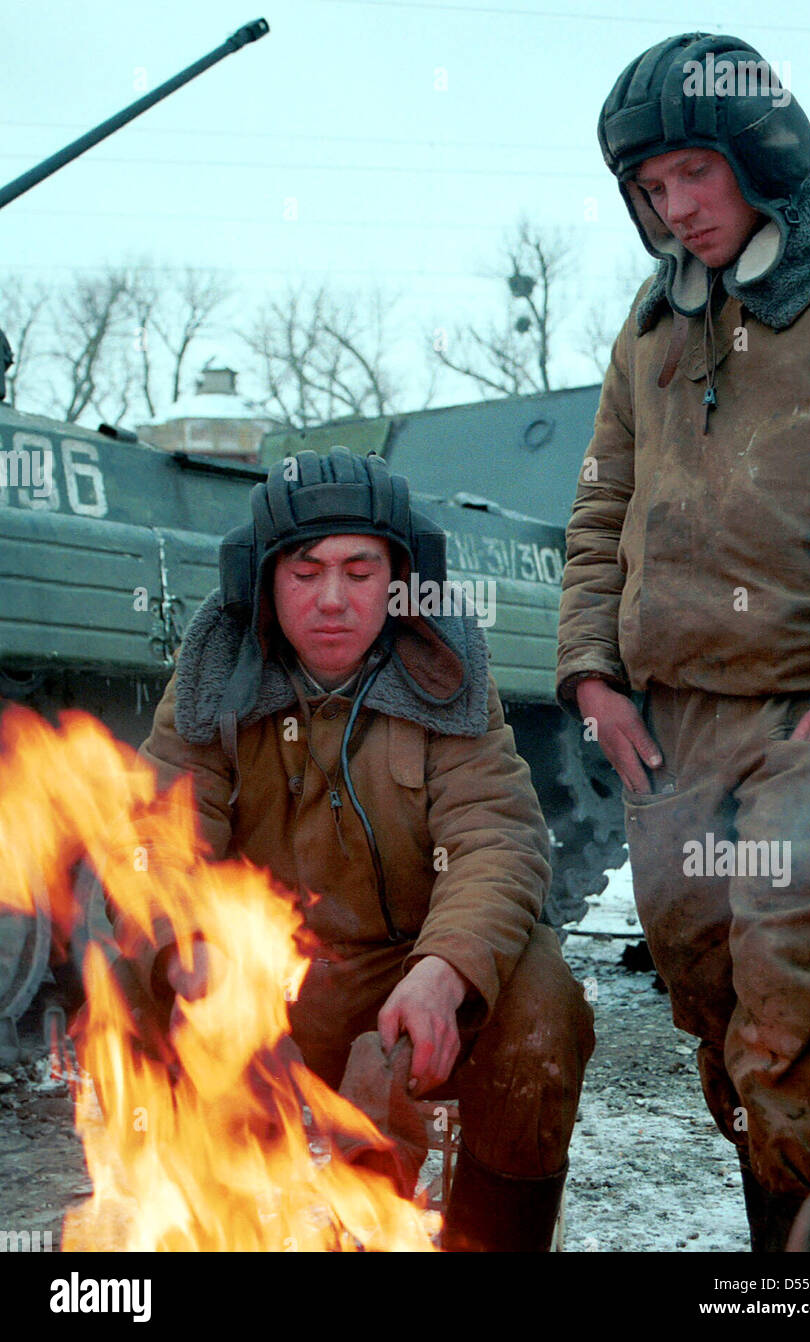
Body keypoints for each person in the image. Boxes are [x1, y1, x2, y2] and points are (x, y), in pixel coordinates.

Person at [557, 31, 810, 1251]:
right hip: (668, 734)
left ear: (759, 149)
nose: (672, 206)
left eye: (693, 171)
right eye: (648, 186)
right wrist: (590, 678)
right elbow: (597, 511)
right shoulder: (649, 324)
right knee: (716, 1027)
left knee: (790, 1033)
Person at [114, 446, 594, 1252]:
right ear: (265, 583)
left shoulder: (445, 672)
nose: (332, 600)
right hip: (259, 973)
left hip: (409, 970)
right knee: (132, 960)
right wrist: (198, 958)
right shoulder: (213, 674)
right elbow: (157, 837)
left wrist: (445, 975)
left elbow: (497, 840)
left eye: (360, 571)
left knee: (541, 1004)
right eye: (305, 573)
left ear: (399, 576)